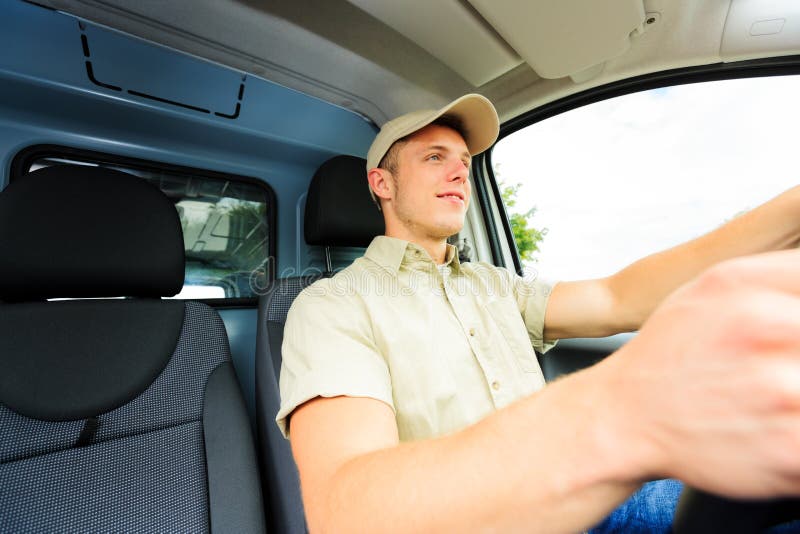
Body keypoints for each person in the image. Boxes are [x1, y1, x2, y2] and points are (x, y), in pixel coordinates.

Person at [277, 93, 800, 532]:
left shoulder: (493, 283)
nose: (461, 170)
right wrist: (624, 412)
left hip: (585, 508)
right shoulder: (331, 305)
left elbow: (618, 298)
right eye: (435, 157)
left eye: (464, 159)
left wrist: (789, 212)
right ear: (382, 184)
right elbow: (346, 511)